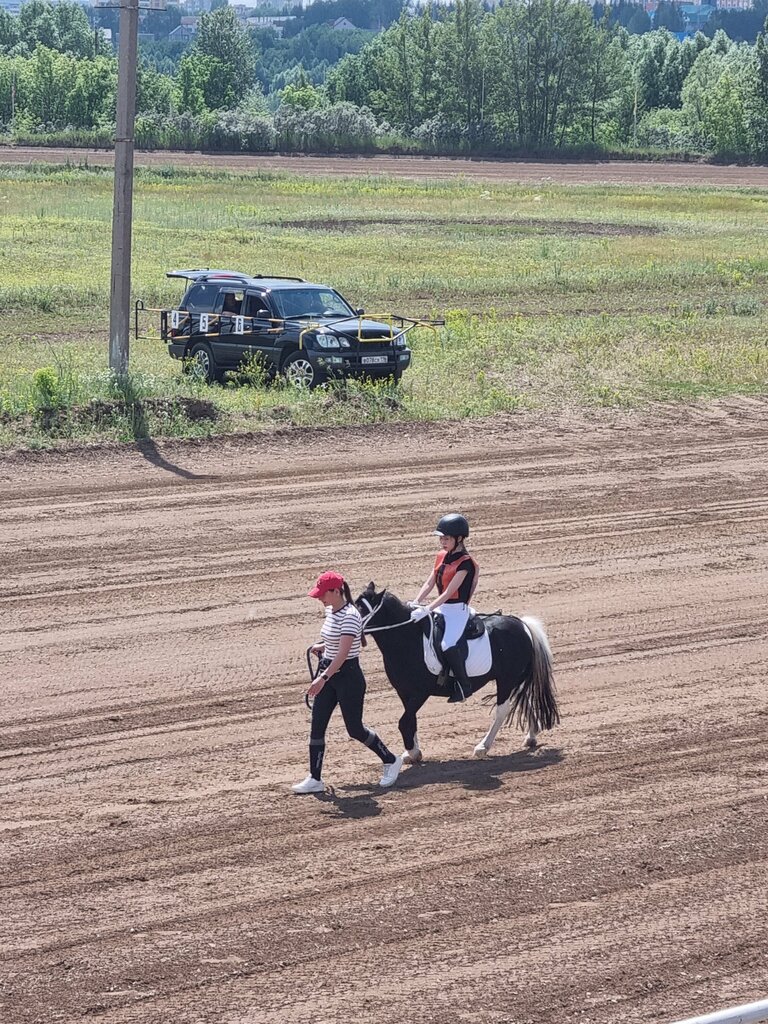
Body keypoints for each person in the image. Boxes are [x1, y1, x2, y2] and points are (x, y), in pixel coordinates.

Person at [292, 571, 403, 794]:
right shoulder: (332, 610)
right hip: (331, 672)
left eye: (323, 594)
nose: (319, 599)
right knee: (317, 724)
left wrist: (322, 679)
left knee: (355, 729)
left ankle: (391, 759)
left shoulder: (351, 615)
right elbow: (336, 641)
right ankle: (315, 778)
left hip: (347, 677)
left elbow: (343, 654)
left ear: (335, 591)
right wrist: (322, 647)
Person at [410, 513, 478, 703]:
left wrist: (427, 608)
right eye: (441, 538)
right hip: (441, 608)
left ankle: (464, 685)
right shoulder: (441, 556)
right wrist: (416, 601)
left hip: (457, 611)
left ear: (459, 539)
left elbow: (448, 593)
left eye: (446, 538)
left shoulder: (465, 563)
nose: (442, 542)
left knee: (447, 645)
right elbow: (430, 582)